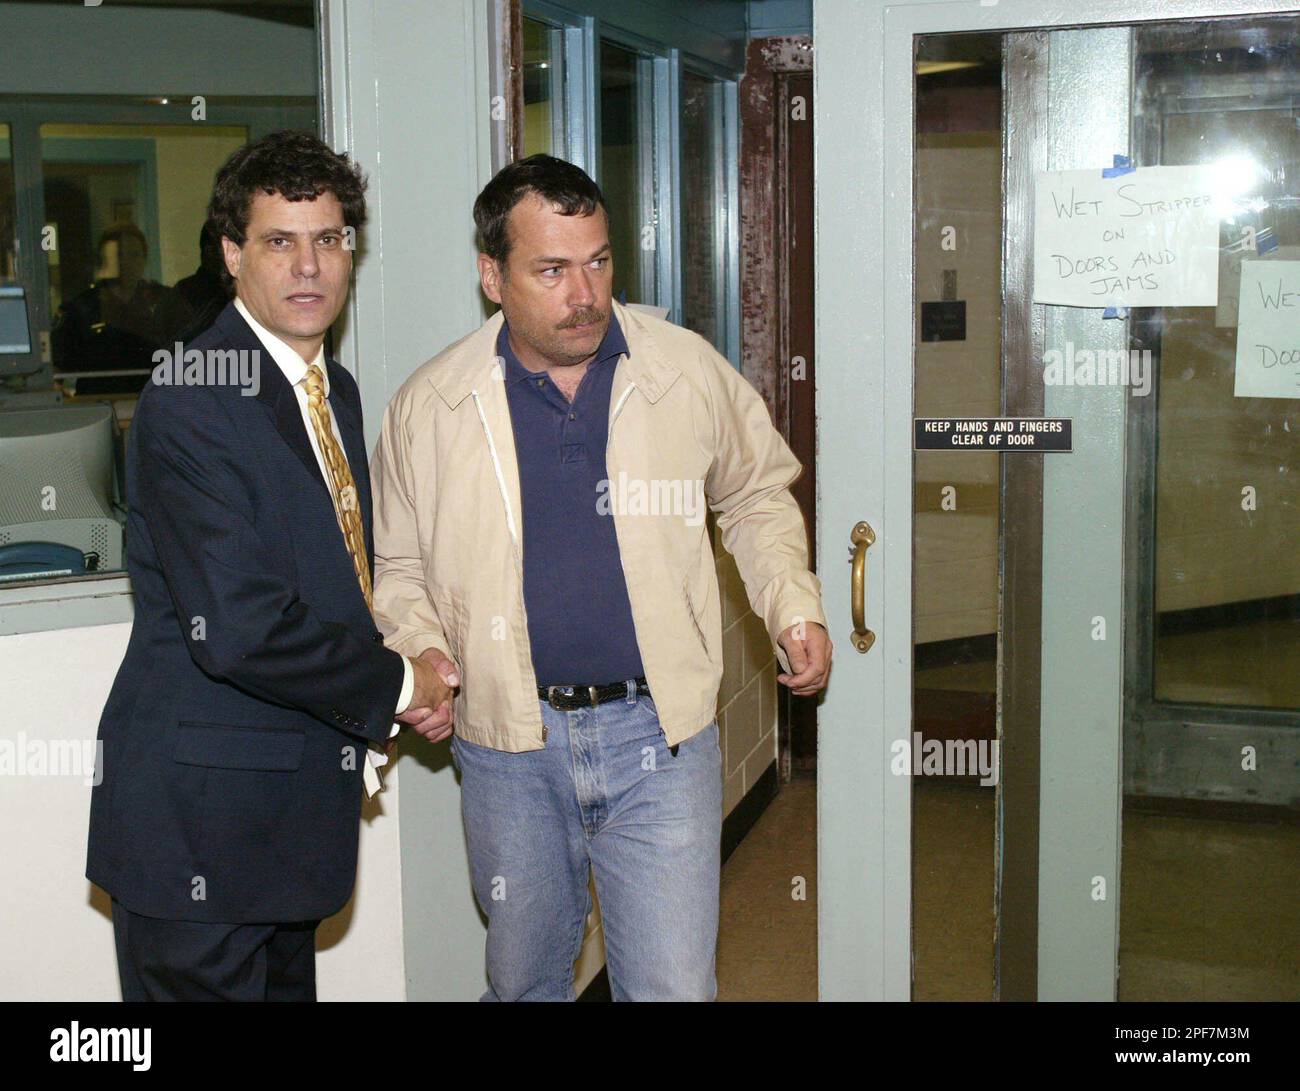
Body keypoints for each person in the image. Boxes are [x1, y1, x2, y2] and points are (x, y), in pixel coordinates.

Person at [370, 153, 831, 1001]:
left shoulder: (682, 371)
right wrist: (424, 653)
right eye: (551, 269)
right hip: (509, 745)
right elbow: (398, 568)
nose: (584, 294)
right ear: (491, 276)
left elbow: (757, 493)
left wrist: (791, 603)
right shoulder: (430, 406)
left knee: (670, 987)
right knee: (525, 984)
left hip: (661, 734)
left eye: (599, 261)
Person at [86, 130, 452, 1002]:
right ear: (230, 254)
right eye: (278, 241)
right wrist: (400, 684)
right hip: (200, 829)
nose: (310, 266)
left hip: (287, 819)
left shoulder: (333, 388)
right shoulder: (189, 397)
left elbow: (332, 579)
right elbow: (241, 627)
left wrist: (400, 670)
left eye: (329, 239)